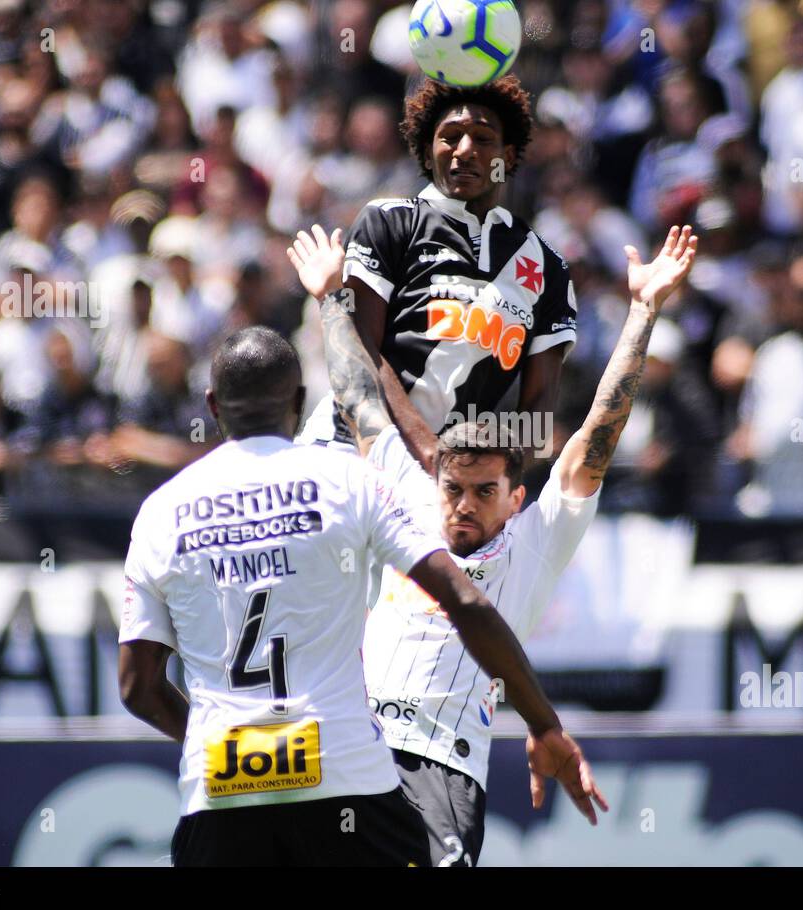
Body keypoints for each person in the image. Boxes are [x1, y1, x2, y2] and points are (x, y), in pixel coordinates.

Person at [117, 326, 605, 867]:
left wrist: (214, 743)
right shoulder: (347, 481)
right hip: (344, 776)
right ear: (299, 401)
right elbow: (463, 602)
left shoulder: (162, 512)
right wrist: (542, 723)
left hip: (221, 790)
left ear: (211, 404)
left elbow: (138, 687)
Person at [286, 221, 696, 865]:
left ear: (516, 498)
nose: (463, 507)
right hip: (348, 747)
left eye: (483, 493)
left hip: (439, 768)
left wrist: (643, 310)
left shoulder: (537, 542)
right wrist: (331, 296)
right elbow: (360, 398)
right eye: (455, 490)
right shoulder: (410, 493)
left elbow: (598, 436)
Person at [297, 75, 576, 474]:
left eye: (483, 139)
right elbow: (361, 350)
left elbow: (538, 410)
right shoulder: (389, 221)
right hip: (348, 453)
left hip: (448, 487)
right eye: (450, 137)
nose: (465, 150)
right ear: (428, 154)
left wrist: (489, 481)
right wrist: (428, 452)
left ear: (508, 158)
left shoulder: (547, 266)